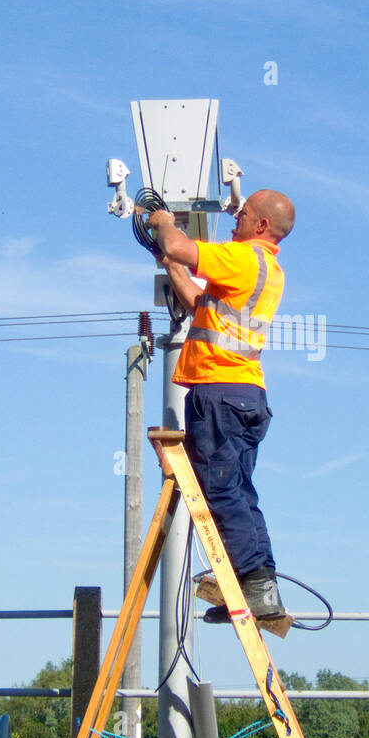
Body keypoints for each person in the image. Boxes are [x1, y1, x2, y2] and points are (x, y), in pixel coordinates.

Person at [144, 189, 295, 621]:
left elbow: (176, 243)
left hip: (219, 392)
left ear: (261, 225)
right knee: (239, 492)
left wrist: (162, 220)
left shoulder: (242, 257)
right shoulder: (266, 269)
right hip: (246, 395)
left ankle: (252, 583)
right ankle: (254, 589)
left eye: (242, 214)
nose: (235, 219)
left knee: (222, 491)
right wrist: (174, 267)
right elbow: (200, 306)